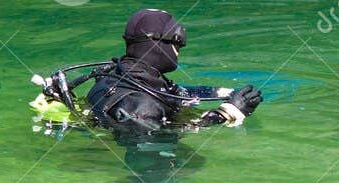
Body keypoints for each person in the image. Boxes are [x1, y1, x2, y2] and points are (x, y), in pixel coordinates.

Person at [31, 8, 262, 135]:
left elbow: (174, 93)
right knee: (191, 164)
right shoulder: (142, 104)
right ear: (162, 44)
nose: (180, 49)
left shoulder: (113, 75)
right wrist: (226, 113)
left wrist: (222, 92)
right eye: (178, 42)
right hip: (141, 155)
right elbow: (157, 137)